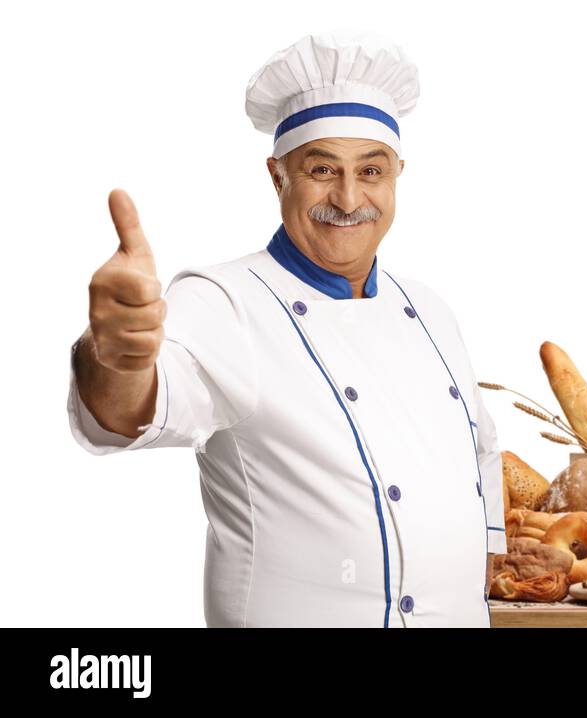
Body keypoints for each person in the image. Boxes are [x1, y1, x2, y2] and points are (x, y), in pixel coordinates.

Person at [66, 32, 506, 627]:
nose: (349, 199)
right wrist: (115, 357)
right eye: (322, 169)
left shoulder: (429, 309)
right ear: (279, 177)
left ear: (397, 174)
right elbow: (130, 411)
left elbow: (478, 451)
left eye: (370, 171)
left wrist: (488, 566)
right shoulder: (224, 300)